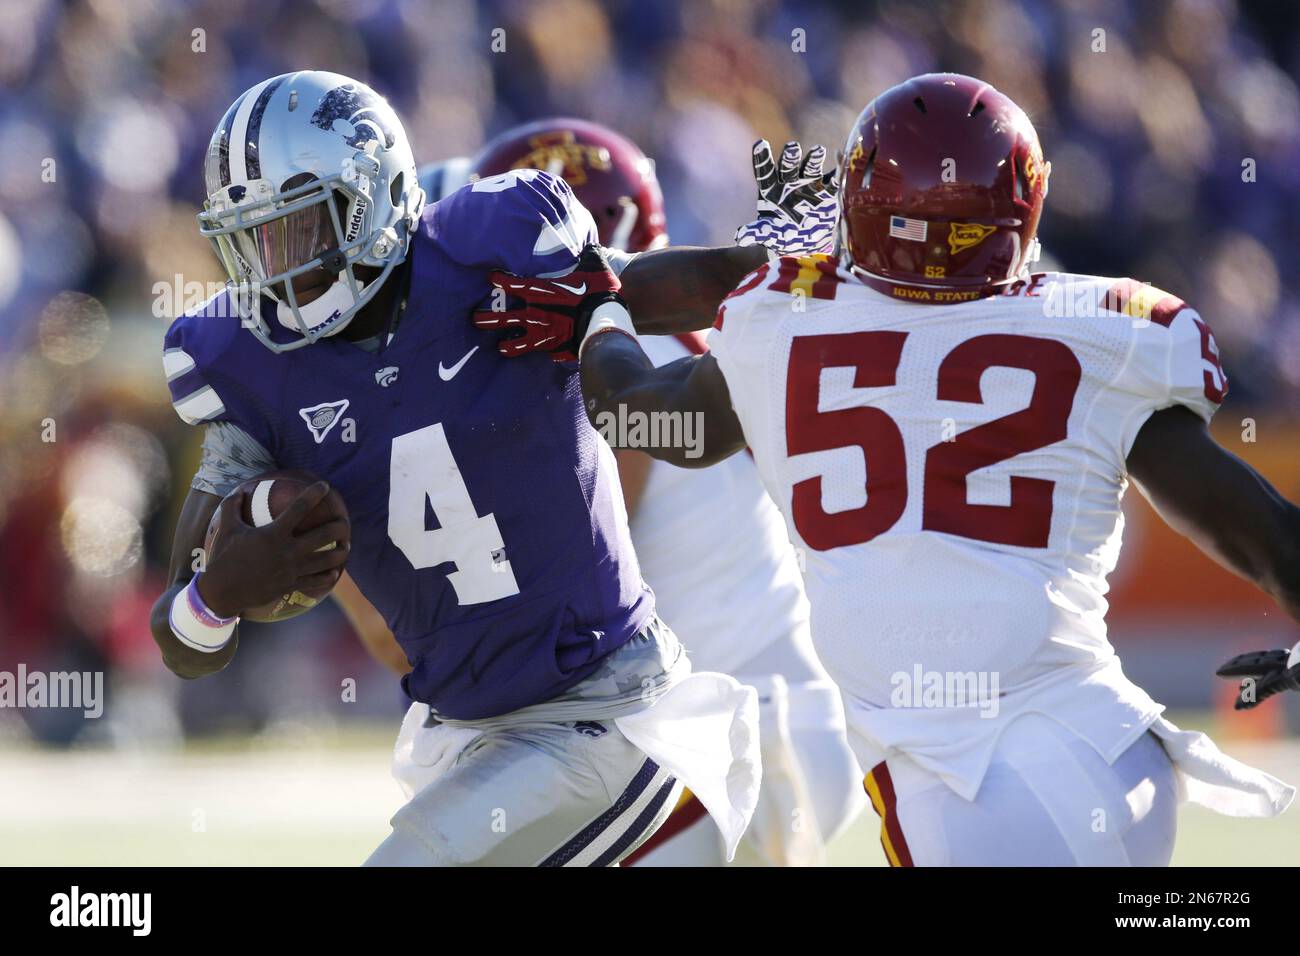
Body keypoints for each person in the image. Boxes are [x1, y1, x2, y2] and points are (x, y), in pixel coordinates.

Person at [480, 73, 1297, 866]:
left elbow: (644, 407)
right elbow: (1255, 525)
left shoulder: (789, 323)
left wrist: (594, 310)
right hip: (1109, 752)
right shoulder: (1098, 332)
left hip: (968, 782)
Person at [148, 70, 810, 866]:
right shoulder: (242, 362)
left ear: (372, 198)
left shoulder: (487, 249)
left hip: (606, 714)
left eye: (298, 229)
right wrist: (214, 599)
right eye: (252, 239)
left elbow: (645, 290)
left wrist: (803, 273)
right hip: (465, 736)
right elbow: (180, 639)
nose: (275, 269)